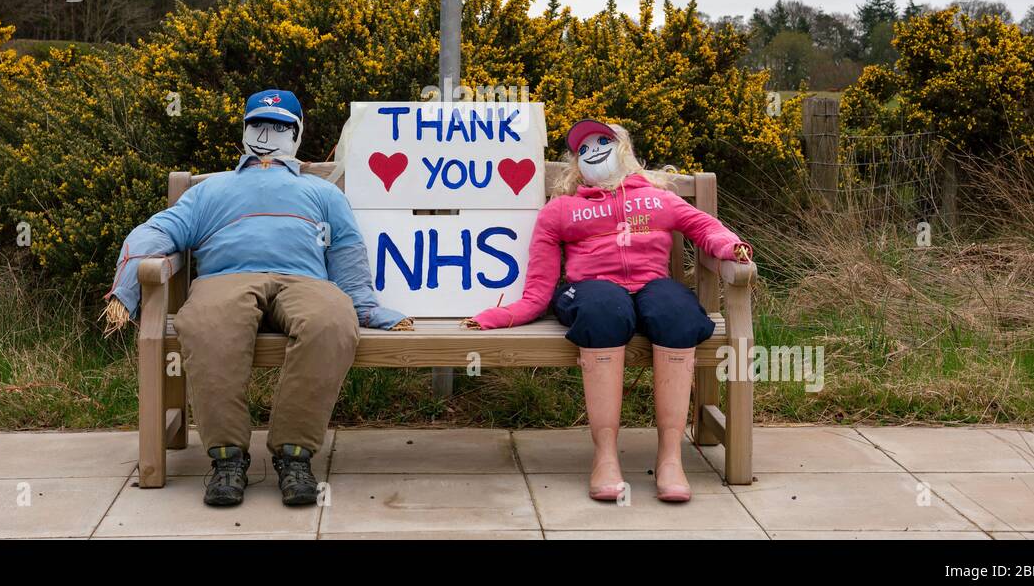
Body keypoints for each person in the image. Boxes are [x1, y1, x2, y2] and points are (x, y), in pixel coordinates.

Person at [103, 89, 411, 507]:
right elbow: (158, 230)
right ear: (244, 131)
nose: (268, 135)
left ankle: (294, 454)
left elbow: (346, 251)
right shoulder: (210, 192)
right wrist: (127, 287)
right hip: (226, 279)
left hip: (304, 279)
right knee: (208, 325)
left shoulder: (323, 194)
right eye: (258, 125)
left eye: (281, 127)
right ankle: (227, 458)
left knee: (331, 322)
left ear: (297, 135)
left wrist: (366, 307)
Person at [463, 119, 752, 503]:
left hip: (652, 284)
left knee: (677, 313)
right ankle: (605, 456)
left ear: (623, 150)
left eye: (602, 141)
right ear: (575, 164)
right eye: (583, 148)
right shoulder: (561, 209)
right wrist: (499, 316)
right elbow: (538, 289)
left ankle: (670, 457)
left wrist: (730, 248)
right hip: (591, 290)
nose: (593, 150)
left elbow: (704, 227)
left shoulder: (659, 198)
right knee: (605, 311)